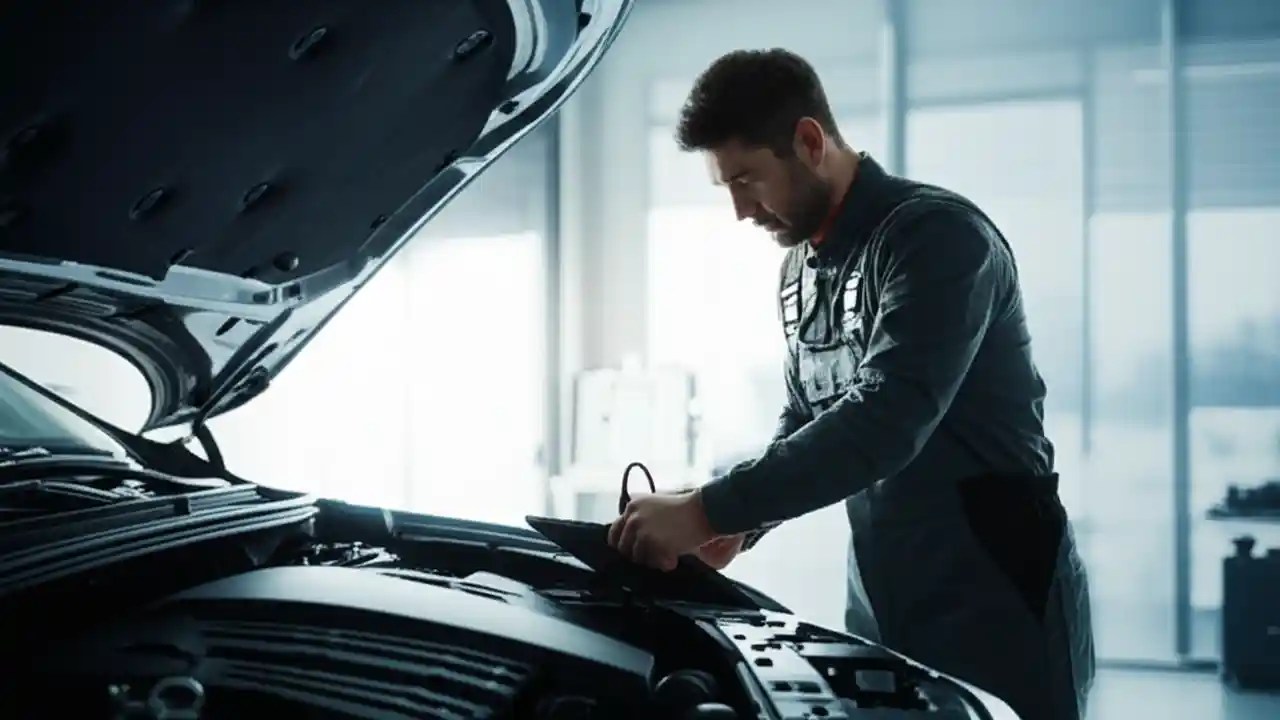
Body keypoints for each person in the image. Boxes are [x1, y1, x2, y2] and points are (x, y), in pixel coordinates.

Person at [606, 48, 1095, 720]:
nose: (741, 211)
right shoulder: (800, 269)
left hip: (998, 594)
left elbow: (885, 417)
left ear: (809, 142)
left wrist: (705, 512)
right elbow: (807, 416)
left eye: (747, 179)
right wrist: (737, 520)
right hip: (881, 594)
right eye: (726, 188)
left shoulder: (939, 238)